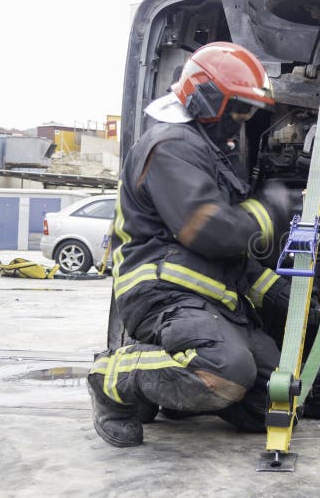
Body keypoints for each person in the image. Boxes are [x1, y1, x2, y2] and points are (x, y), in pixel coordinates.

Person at [88, 42, 291, 447]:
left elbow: (235, 256)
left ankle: (180, 379)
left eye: (249, 110)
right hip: (163, 293)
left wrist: (280, 293)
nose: (243, 119)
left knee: (274, 402)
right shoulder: (171, 146)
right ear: (204, 98)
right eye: (238, 107)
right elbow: (212, 232)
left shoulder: (212, 153)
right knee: (226, 371)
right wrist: (272, 210)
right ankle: (111, 378)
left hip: (212, 301)